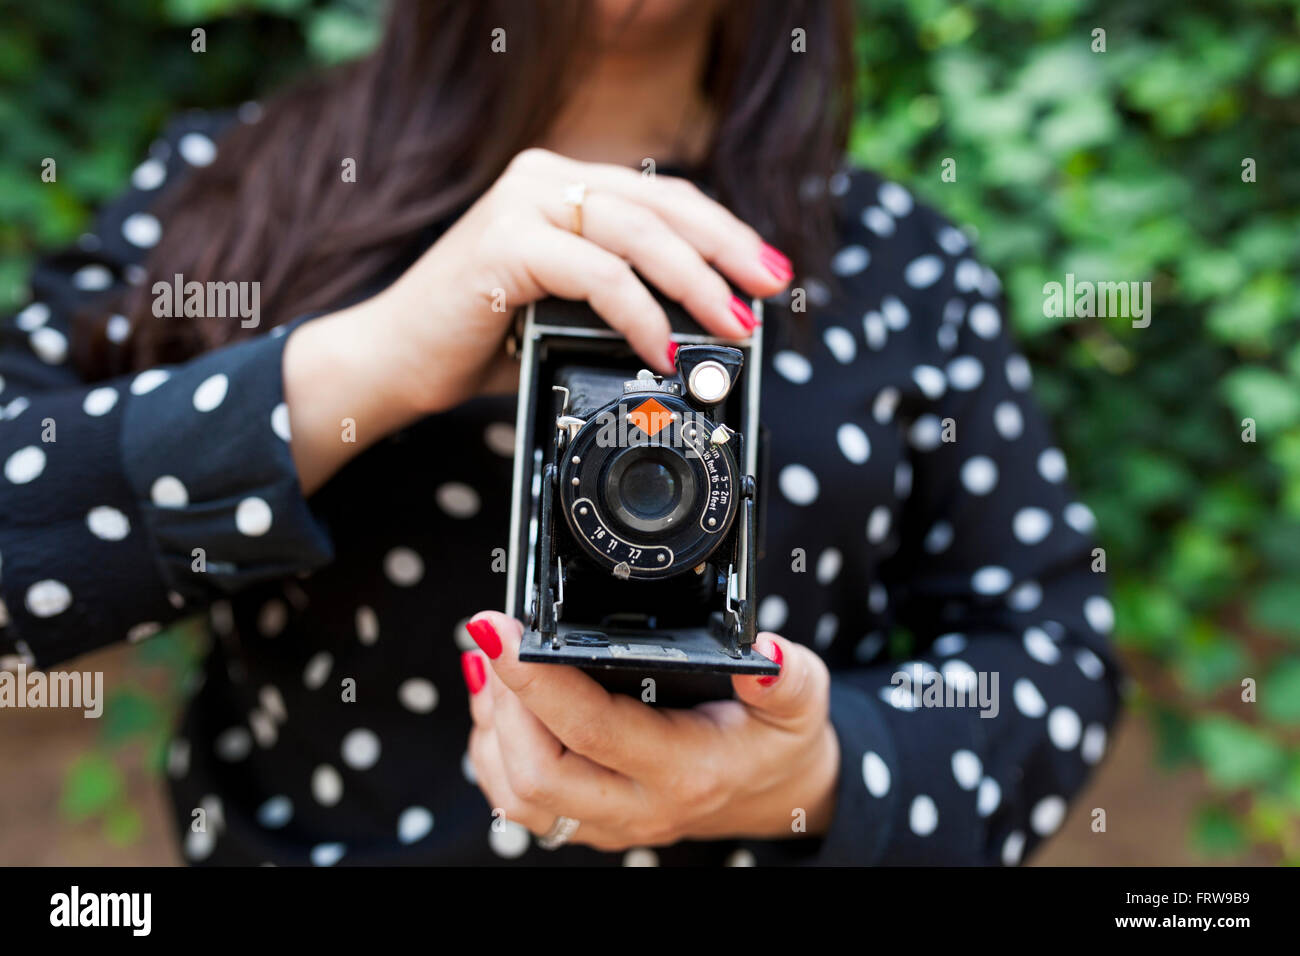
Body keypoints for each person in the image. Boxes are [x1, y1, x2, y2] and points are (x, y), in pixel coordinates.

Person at [0, 0, 1119, 865]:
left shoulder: (897, 262)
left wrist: (818, 770)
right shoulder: (235, 185)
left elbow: (1053, 649)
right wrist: (376, 355)